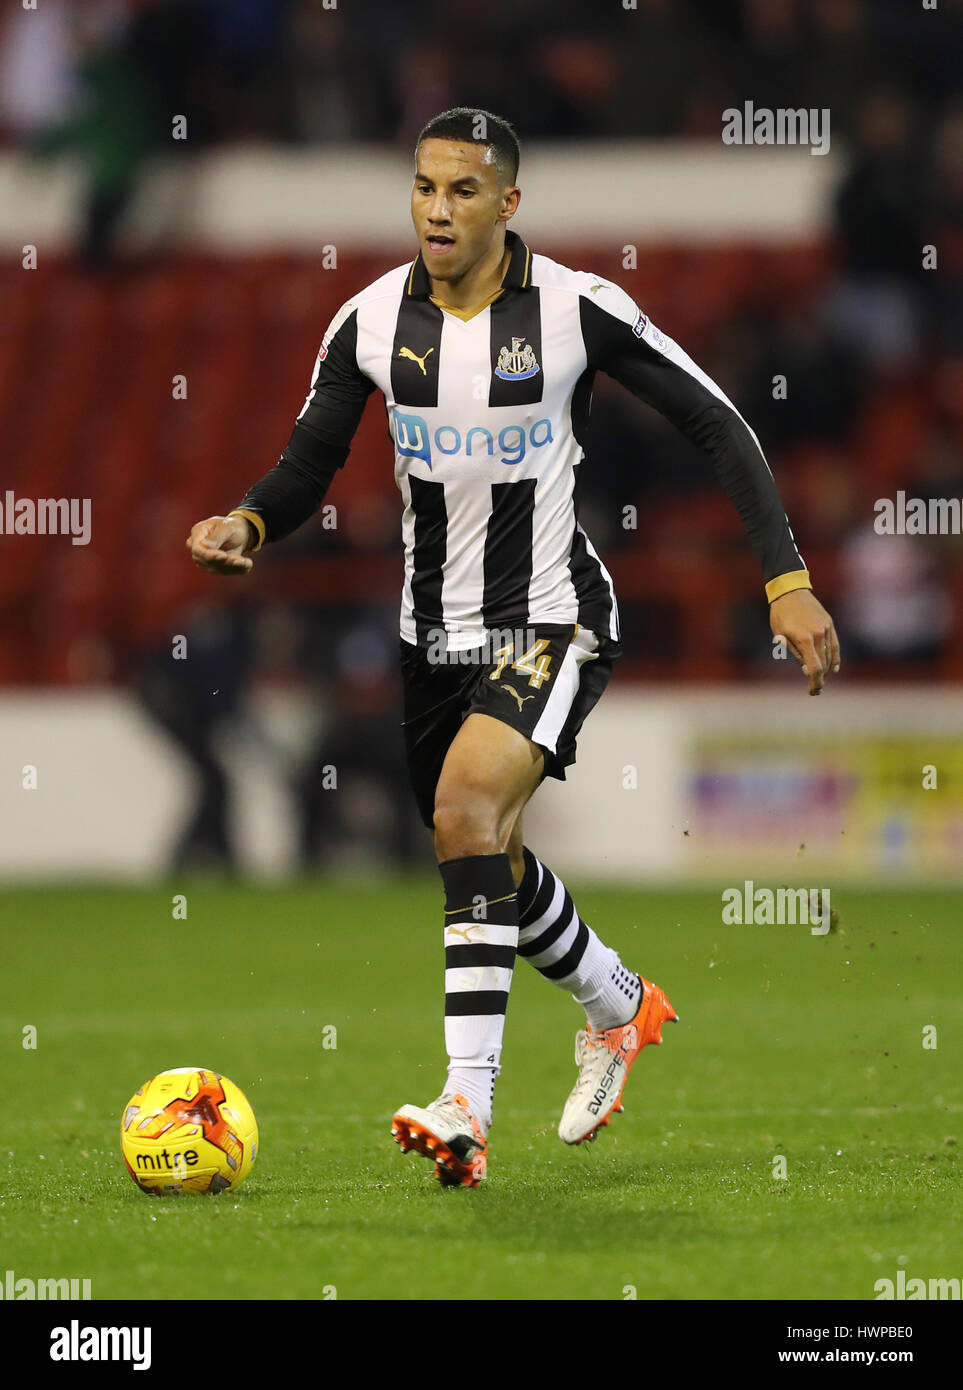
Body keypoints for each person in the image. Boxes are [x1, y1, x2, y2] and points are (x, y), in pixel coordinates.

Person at [187, 108, 840, 1188]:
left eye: (463, 190)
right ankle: (619, 1007)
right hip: (427, 637)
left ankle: (465, 1105)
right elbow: (308, 463)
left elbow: (721, 421)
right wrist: (249, 522)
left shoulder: (581, 310)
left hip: (553, 616)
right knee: (481, 852)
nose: (439, 208)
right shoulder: (365, 322)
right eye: (425, 187)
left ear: (508, 204)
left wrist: (786, 578)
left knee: (462, 812)